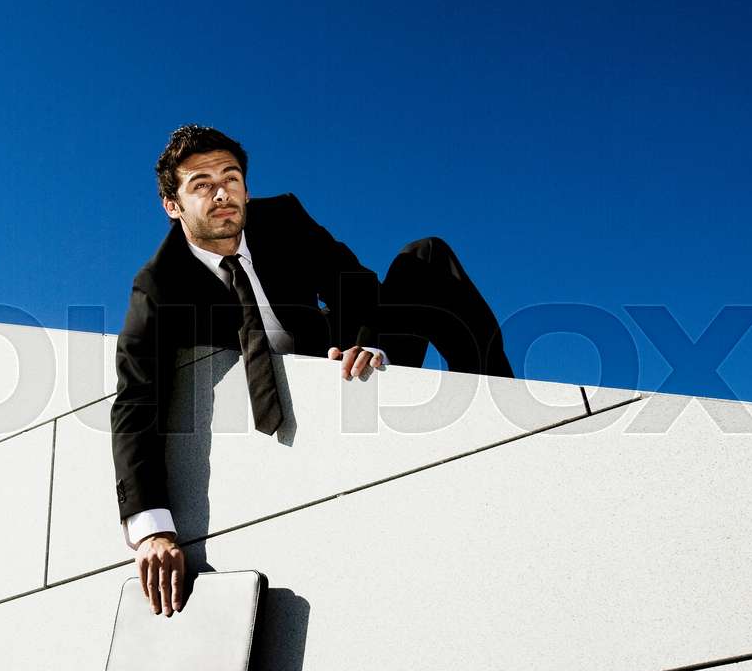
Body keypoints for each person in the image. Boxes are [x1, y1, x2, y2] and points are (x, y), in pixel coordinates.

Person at [112, 125, 512, 617]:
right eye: (201, 185)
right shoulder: (158, 287)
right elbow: (135, 402)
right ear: (172, 206)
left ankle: (504, 412)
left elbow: (355, 285)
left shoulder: (282, 218)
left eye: (231, 178)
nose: (222, 194)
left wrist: (362, 342)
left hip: (351, 369)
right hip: (286, 424)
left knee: (426, 259)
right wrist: (151, 527)